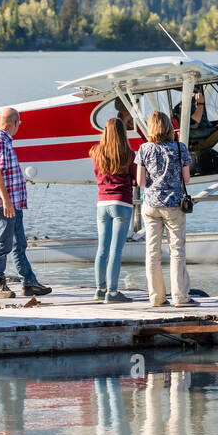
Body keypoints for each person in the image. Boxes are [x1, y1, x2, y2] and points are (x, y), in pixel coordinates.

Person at [0, 105, 52, 299]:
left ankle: (28, 282)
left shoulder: (5, 141)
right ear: (14, 123)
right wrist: (6, 201)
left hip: (13, 204)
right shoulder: (0, 142)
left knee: (19, 243)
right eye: (19, 123)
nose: (19, 126)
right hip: (5, 204)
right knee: (2, 244)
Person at [135, 111, 195, 308]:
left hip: (151, 205)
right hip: (174, 205)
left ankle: (157, 298)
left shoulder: (144, 149)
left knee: (152, 252)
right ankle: (180, 297)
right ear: (169, 127)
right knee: (177, 251)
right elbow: (186, 179)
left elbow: (141, 181)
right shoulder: (180, 148)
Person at [90, 116, 137, 303]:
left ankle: (99, 290)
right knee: (115, 251)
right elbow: (134, 177)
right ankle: (113, 292)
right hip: (122, 203)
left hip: (102, 203)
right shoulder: (128, 154)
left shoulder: (95, 152)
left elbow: (97, 173)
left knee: (102, 249)